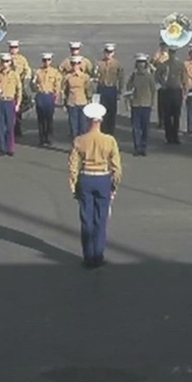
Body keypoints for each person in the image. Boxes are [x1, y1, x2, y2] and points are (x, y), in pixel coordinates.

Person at [67, 102, 122, 269]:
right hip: (103, 179)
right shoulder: (109, 140)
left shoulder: (80, 140)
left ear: (87, 120)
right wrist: (114, 186)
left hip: (86, 178)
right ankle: (98, 255)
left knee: (86, 219)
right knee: (101, 219)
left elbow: (73, 166)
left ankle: (88, 256)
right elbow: (117, 168)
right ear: (101, 120)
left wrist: (74, 186)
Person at [0, 53, 23, 156]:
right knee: (0, 127)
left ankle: (10, 148)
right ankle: (2, 148)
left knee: (10, 126)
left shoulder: (14, 75)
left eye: (7, 61)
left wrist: (18, 103)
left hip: (10, 101)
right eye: (4, 61)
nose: (5, 64)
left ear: (10, 63)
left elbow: (19, 89)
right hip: (0, 101)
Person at [155, 48, 187, 144]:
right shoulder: (164, 64)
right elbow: (157, 76)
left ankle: (174, 136)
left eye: (173, 53)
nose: (172, 55)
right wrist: (162, 84)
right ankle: (170, 136)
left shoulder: (179, 65)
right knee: (169, 116)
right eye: (171, 53)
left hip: (175, 91)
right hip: (169, 91)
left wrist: (184, 89)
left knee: (175, 115)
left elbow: (184, 77)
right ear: (169, 54)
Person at [126, 53, 155, 156]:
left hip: (146, 105)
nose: (141, 65)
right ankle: (137, 147)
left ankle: (143, 147)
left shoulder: (150, 76)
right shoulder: (134, 76)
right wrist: (128, 101)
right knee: (135, 128)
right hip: (136, 104)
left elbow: (153, 90)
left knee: (145, 128)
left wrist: (152, 103)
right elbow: (128, 88)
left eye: (142, 63)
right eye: (139, 63)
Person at [33, 53, 62, 146]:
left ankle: (49, 138)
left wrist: (56, 97)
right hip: (41, 95)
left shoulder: (55, 72)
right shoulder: (38, 72)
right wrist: (35, 86)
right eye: (44, 60)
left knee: (49, 118)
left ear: (51, 61)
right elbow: (32, 85)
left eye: (48, 60)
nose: (46, 62)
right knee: (41, 119)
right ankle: (42, 138)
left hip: (49, 96)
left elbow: (57, 85)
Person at [62, 56, 94, 139]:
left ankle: (82, 146)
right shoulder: (68, 77)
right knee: (73, 127)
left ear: (80, 65)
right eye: (73, 64)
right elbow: (64, 90)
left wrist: (90, 100)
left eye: (77, 64)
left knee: (83, 127)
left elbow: (88, 89)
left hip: (82, 102)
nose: (75, 66)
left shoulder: (85, 77)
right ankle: (75, 146)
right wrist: (64, 102)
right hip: (71, 103)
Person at [96, 43, 124, 135]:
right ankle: (103, 130)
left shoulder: (117, 64)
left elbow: (121, 78)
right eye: (107, 52)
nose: (108, 54)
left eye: (110, 52)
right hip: (102, 88)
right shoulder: (99, 64)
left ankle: (110, 131)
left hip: (112, 89)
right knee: (102, 111)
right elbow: (95, 76)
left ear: (113, 53)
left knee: (112, 112)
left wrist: (120, 91)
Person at [8, 40, 32, 138]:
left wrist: (26, 77)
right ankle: (11, 128)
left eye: (15, 48)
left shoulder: (22, 59)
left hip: (19, 85)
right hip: (9, 85)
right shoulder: (6, 59)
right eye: (12, 48)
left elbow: (27, 69)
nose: (14, 50)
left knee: (19, 107)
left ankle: (17, 128)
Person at [150, 41, 169, 128]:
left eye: (165, 46)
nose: (164, 48)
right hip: (159, 81)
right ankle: (161, 121)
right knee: (161, 102)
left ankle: (165, 120)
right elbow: (151, 64)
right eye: (162, 46)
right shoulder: (158, 55)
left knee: (166, 103)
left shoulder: (167, 56)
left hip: (167, 81)